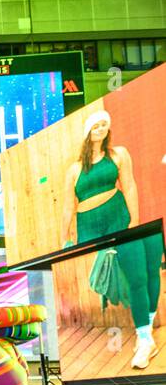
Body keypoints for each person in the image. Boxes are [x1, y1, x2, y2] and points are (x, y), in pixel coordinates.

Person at [60, 109, 159, 368]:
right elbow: (68, 206)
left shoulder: (118, 155)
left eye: (104, 125)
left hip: (118, 217)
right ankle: (145, 334)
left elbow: (129, 185)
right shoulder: (74, 169)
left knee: (137, 277)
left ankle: (145, 338)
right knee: (115, 276)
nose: (101, 129)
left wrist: (133, 222)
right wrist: (64, 238)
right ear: (87, 133)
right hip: (90, 228)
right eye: (96, 126)